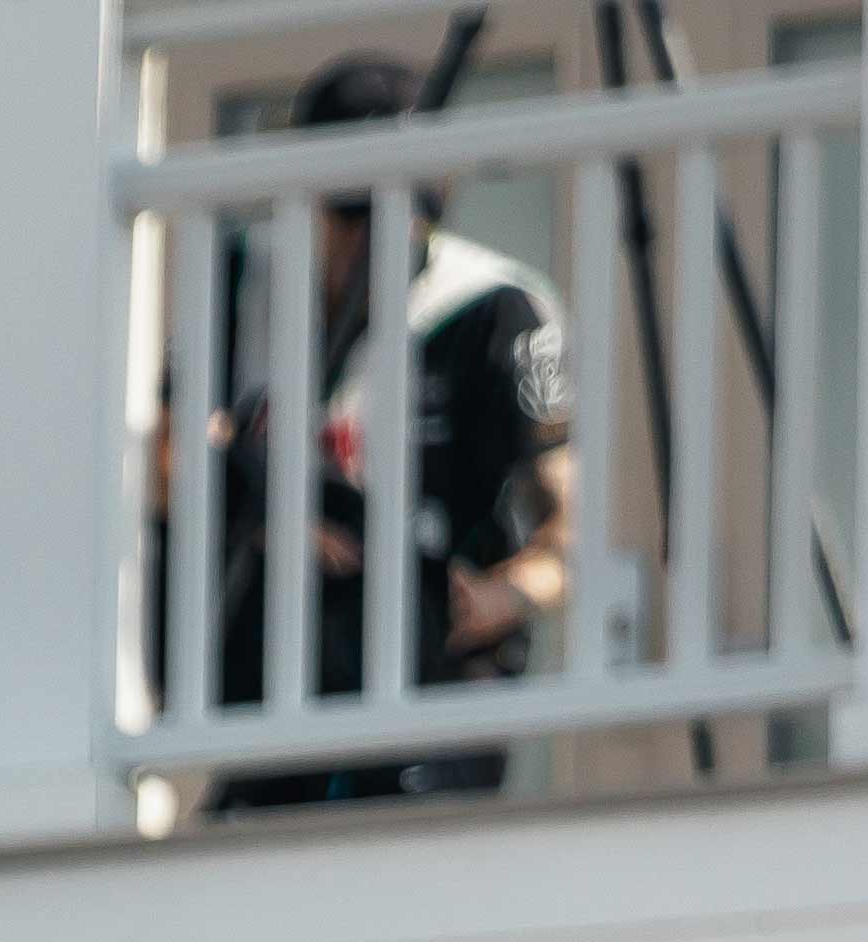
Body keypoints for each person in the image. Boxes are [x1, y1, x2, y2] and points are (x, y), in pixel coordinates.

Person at [174, 52, 576, 815]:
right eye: (346, 210)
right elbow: (171, 456)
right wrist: (268, 514)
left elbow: (565, 524)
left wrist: (502, 595)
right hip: (278, 672)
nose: (363, 243)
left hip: (435, 681)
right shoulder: (243, 285)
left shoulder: (493, 309)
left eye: (392, 214)